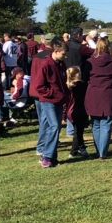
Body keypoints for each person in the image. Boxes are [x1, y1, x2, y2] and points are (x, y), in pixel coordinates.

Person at [33, 38, 67, 168]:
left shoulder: (61, 64)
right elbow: (39, 85)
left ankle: (52, 157)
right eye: (63, 54)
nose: (65, 56)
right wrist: (51, 93)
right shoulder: (46, 64)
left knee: (54, 127)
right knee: (54, 127)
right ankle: (46, 156)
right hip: (48, 101)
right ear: (56, 51)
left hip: (58, 100)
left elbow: (62, 81)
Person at [86, 38, 112, 160]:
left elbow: (86, 78)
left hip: (93, 94)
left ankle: (99, 151)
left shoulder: (90, 62)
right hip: (108, 94)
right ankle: (102, 152)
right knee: (105, 124)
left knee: (96, 124)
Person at [65, 65, 90, 158]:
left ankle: (80, 148)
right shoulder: (82, 85)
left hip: (70, 111)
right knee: (78, 131)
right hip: (80, 110)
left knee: (78, 130)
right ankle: (74, 151)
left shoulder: (68, 86)